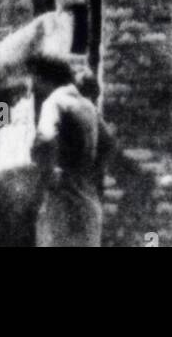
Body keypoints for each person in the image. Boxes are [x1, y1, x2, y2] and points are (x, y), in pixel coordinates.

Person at [29, 56, 106, 248]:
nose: (33, 87)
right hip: (87, 196)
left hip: (62, 199)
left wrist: (41, 184)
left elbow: (45, 143)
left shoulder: (54, 103)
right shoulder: (88, 106)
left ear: (44, 78)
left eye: (35, 80)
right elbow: (109, 145)